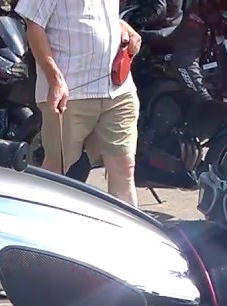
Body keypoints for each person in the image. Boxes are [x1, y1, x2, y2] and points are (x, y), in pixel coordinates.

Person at [20, 0, 143, 205]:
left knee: (125, 166)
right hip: (70, 91)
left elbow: (102, 17)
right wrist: (55, 80)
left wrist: (126, 28)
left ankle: (126, 234)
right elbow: (34, 27)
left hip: (117, 89)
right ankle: (38, 227)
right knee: (56, 170)